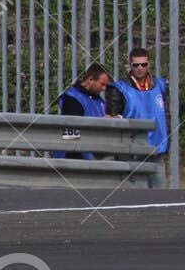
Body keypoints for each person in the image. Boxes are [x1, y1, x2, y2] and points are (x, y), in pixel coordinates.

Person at [109, 46, 171, 187]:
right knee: (138, 191)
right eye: (136, 65)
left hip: (157, 146)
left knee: (160, 189)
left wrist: (168, 140)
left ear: (149, 64)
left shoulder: (160, 85)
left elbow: (167, 115)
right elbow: (113, 117)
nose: (140, 68)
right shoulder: (119, 88)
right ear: (130, 65)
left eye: (143, 64)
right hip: (132, 149)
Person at [54, 64, 113, 160]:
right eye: (102, 84)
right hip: (74, 159)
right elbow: (71, 135)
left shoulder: (98, 100)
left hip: (92, 159)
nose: (104, 88)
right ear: (90, 80)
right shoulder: (72, 98)